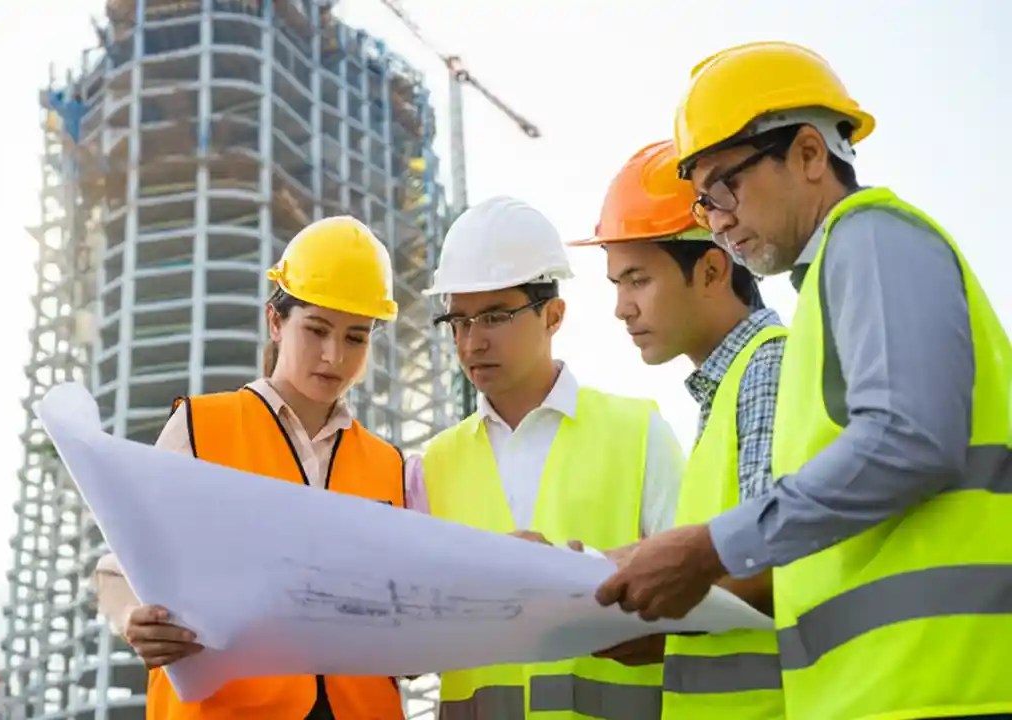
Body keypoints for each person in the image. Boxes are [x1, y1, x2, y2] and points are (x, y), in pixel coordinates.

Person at [595, 41, 1012, 720]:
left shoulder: (872, 236)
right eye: (704, 202)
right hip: (881, 694)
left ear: (812, 155)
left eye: (726, 184)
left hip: (947, 687)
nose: (719, 217)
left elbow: (909, 438)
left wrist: (706, 548)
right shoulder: (825, 297)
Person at [91, 216, 411, 720]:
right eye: (317, 329)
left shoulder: (389, 465)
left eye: (356, 337)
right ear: (276, 321)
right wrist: (135, 616)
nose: (334, 356)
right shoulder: (200, 428)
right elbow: (117, 567)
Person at [407, 195, 687, 719]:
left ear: (553, 315)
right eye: (458, 322)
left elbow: (701, 601)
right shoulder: (434, 464)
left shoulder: (638, 432)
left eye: (493, 316)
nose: (471, 343)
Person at [570, 139, 785, 719]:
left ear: (712, 268)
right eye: (616, 284)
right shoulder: (727, 388)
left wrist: (598, 581)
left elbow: (772, 555)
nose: (621, 307)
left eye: (637, 279)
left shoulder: (767, 366)